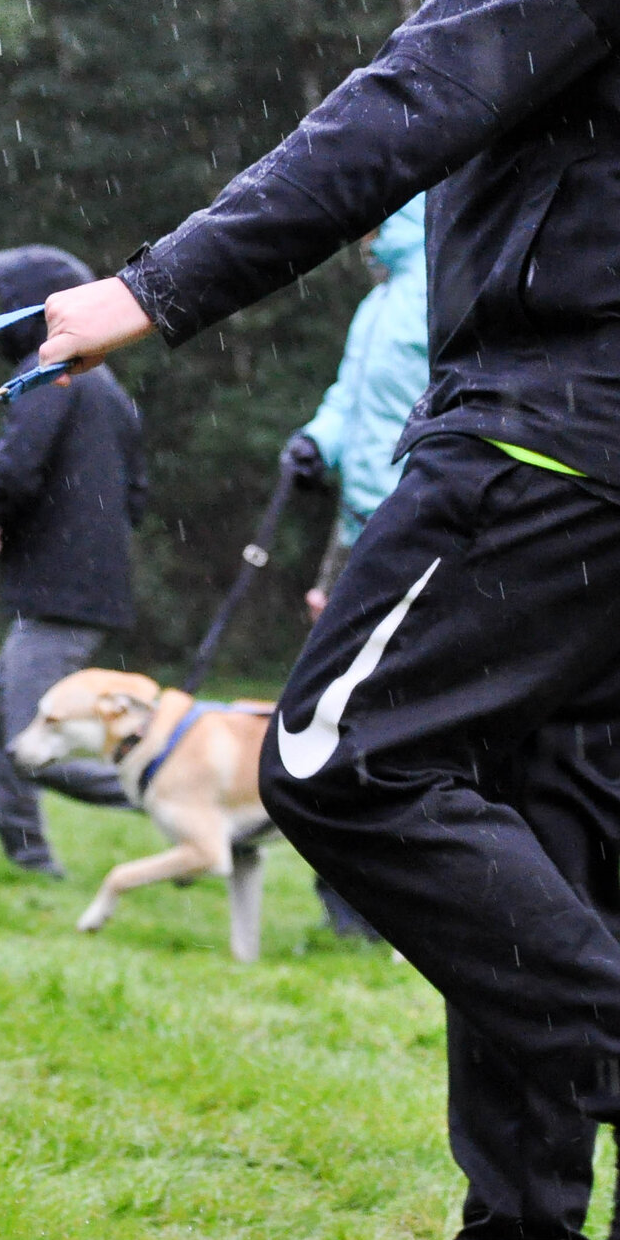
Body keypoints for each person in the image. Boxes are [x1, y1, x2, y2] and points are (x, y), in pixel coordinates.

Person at [31, 0, 620, 1240]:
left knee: (334, 764)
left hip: (558, 421)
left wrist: (162, 282)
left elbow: (426, 86)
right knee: (543, 841)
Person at [0, 246, 144, 875]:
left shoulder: (52, 374)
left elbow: (17, 471)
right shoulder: (109, 388)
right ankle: (33, 865)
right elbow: (135, 496)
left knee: (31, 746)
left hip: (62, 593)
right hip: (79, 587)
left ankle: (188, 791)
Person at [277, 193, 429, 939]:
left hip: (416, 530)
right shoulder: (380, 304)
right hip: (356, 527)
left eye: (372, 218)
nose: (361, 234)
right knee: (327, 711)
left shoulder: (447, 284)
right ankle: (346, 896)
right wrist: (318, 439)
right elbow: (351, 399)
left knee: (378, 713)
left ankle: (383, 899)